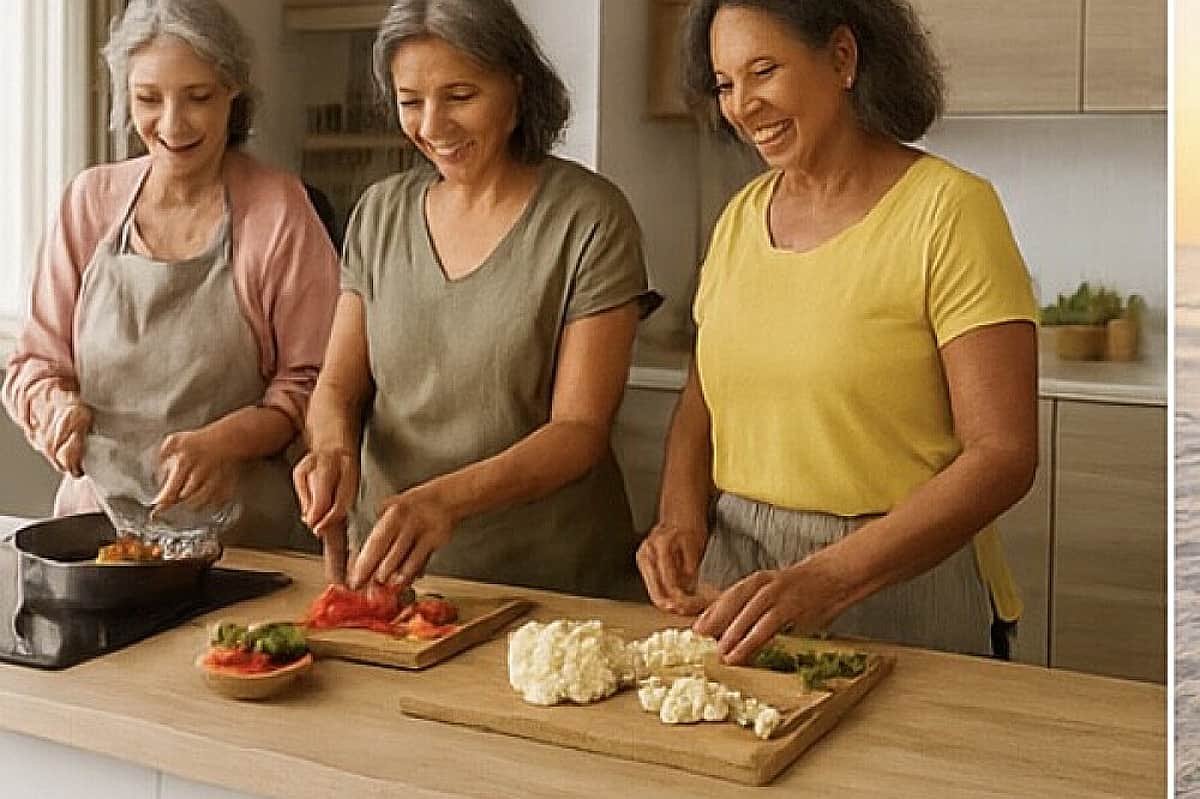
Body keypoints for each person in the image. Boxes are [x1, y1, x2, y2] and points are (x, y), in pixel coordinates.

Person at [636, 0, 1038, 663]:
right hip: (738, 585)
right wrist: (680, 516)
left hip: (903, 581)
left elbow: (1003, 454)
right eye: (725, 83)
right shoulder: (739, 219)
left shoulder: (950, 211)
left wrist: (828, 577)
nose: (741, 105)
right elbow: (699, 405)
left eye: (764, 71)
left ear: (843, 58)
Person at [293, 0, 658, 599]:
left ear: (516, 86)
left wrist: (445, 501)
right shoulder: (380, 212)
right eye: (411, 102)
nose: (433, 126)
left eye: (460, 96)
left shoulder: (589, 216)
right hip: (390, 577)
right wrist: (331, 449)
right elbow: (337, 387)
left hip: (550, 585)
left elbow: (579, 429)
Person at [2, 0, 339, 549]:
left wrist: (229, 441)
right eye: (148, 99)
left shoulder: (278, 210)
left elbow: (317, 382)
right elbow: (34, 363)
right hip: (94, 535)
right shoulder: (89, 203)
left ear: (233, 91)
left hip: (241, 540)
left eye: (198, 97)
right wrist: (53, 408)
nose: (172, 124)